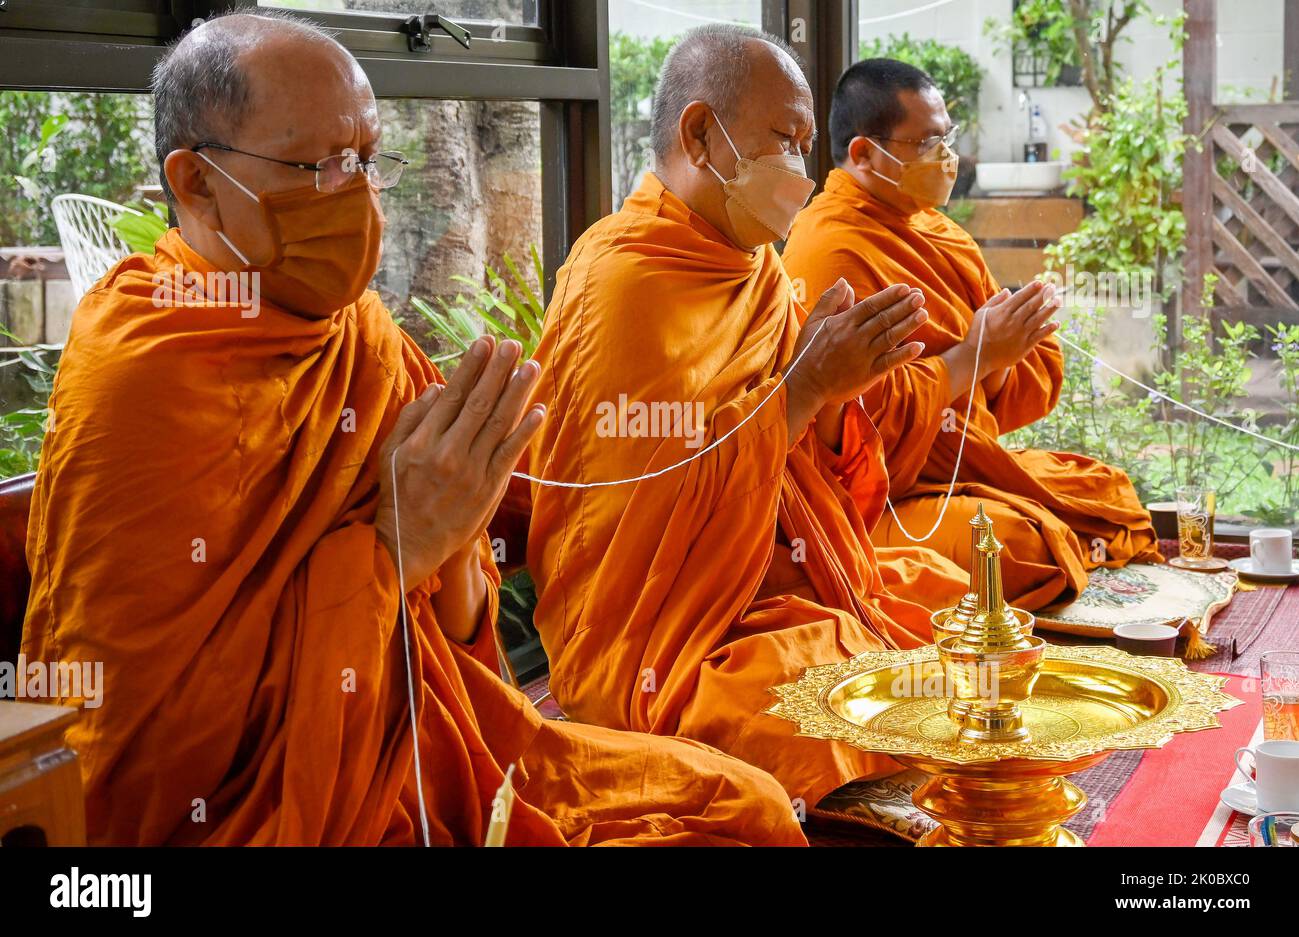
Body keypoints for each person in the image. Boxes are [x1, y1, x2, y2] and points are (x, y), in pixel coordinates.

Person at [19, 11, 805, 847]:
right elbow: (145, 754)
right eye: (318, 164)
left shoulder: (360, 334)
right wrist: (395, 550)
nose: (353, 194)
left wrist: (451, 538)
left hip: (428, 744)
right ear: (196, 182)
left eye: (365, 160)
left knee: (743, 805)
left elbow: (459, 633)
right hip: (279, 810)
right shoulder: (144, 371)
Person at [523, 24, 968, 808]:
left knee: (943, 618)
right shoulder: (625, 284)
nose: (800, 168)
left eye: (804, 144)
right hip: (661, 636)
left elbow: (831, 490)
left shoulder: (756, 266)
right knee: (821, 694)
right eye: (784, 141)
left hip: (776, 588)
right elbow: (637, 524)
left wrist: (831, 396)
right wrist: (799, 392)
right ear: (701, 134)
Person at [781, 58, 1160, 609]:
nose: (948, 157)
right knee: (1015, 546)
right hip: (877, 503)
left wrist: (1010, 341)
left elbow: (1005, 402)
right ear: (864, 154)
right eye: (929, 142)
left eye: (948, 137)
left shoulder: (938, 230)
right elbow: (855, 432)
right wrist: (976, 356)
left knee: (1109, 491)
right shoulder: (830, 251)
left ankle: (1061, 546)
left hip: (959, 470)